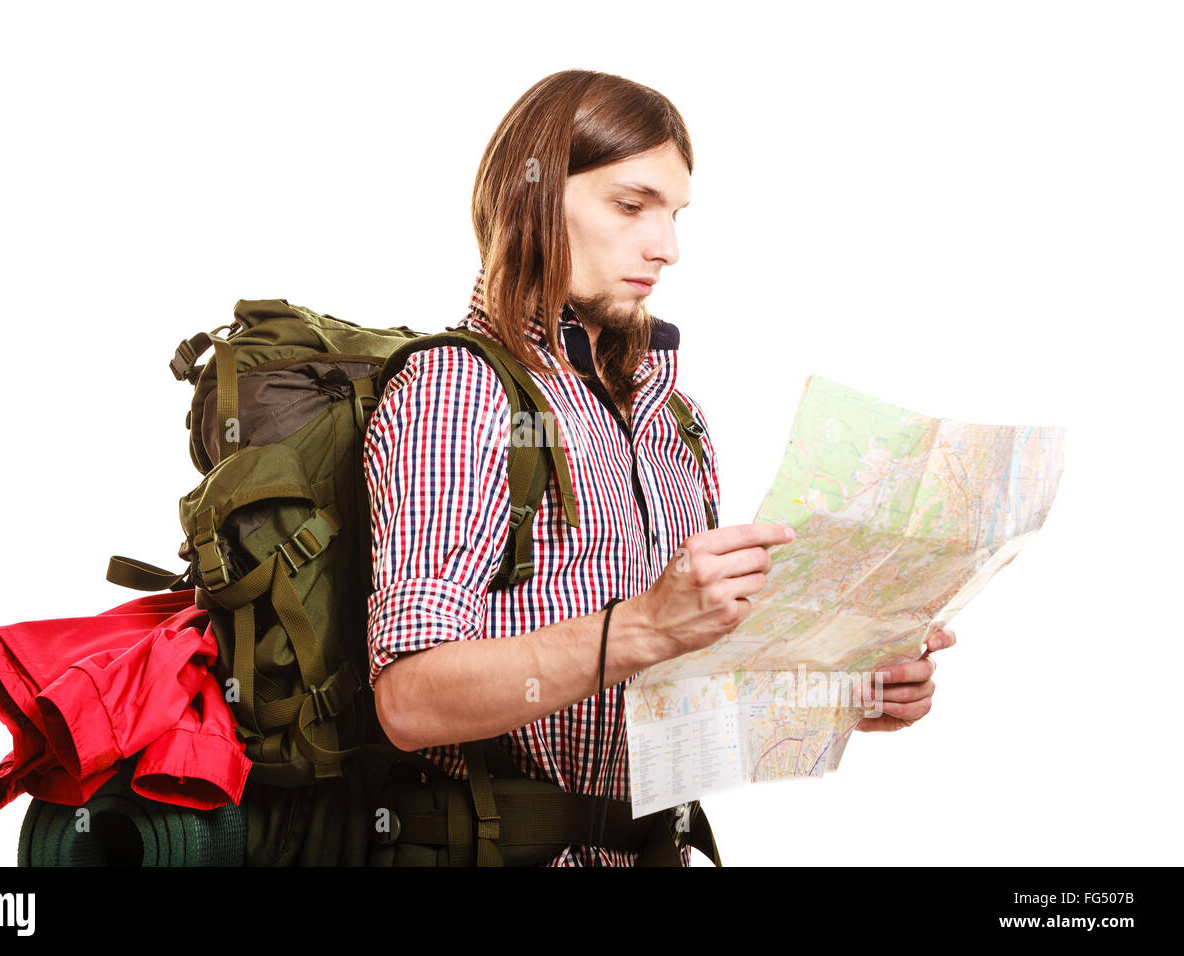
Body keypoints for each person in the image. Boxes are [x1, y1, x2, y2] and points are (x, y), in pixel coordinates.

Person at [362, 69, 954, 867]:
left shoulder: (674, 421)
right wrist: (643, 626)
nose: (666, 247)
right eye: (631, 205)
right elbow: (410, 696)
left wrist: (839, 692)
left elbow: (675, 704)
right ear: (531, 200)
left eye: (674, 215)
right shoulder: (458, 392)